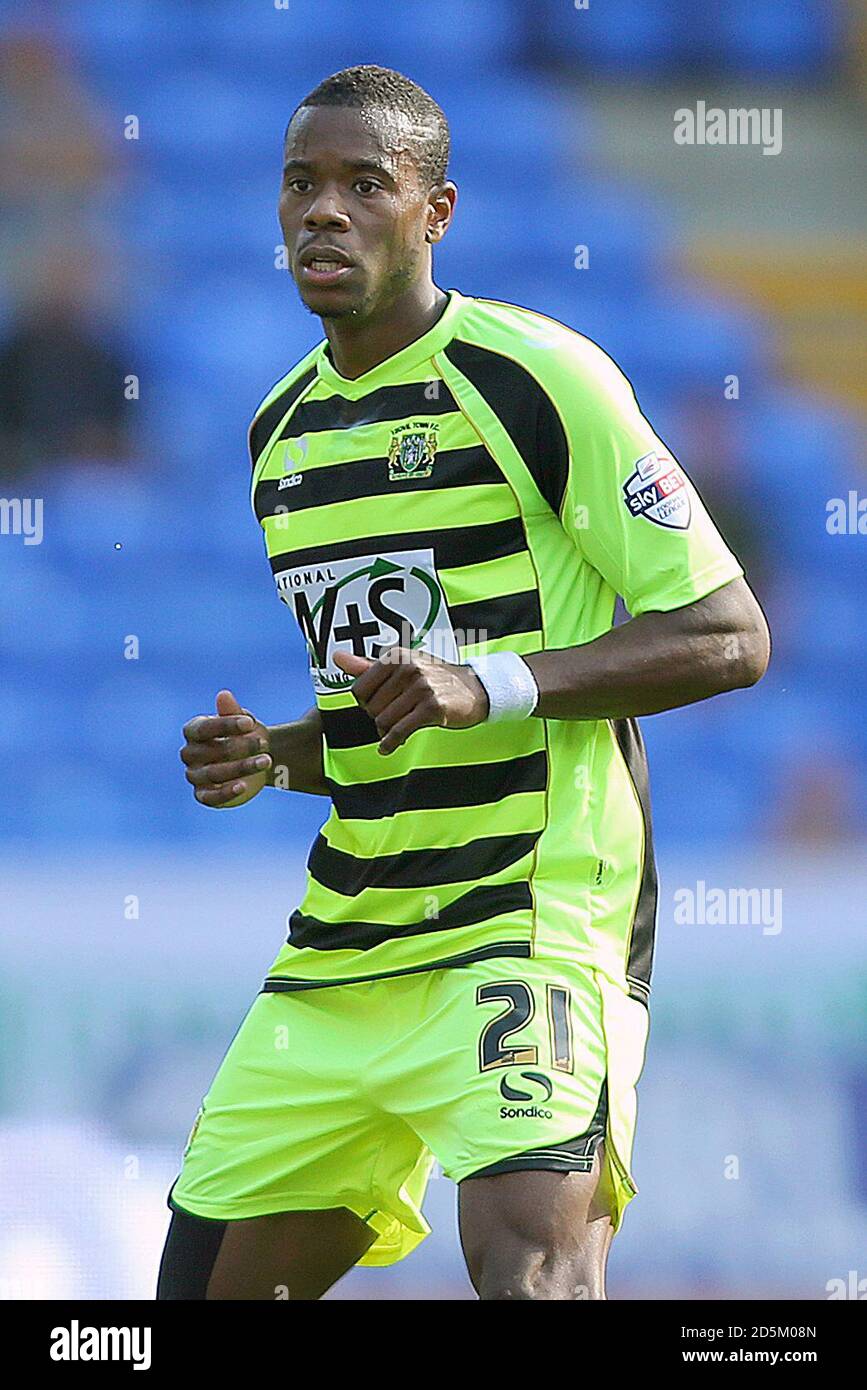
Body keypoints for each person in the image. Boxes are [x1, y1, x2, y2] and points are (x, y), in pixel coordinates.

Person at [157, 65, 769, 1301]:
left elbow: (729, 633)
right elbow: (384, 713)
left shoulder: (538, 378)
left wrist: (488, 682)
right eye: (300, 185)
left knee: (533, 1276)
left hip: (531, 915)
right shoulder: (281, 435)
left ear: (435, 213)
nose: (322, 212)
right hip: (349, 944)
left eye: (363, 185)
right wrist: (278, 755)